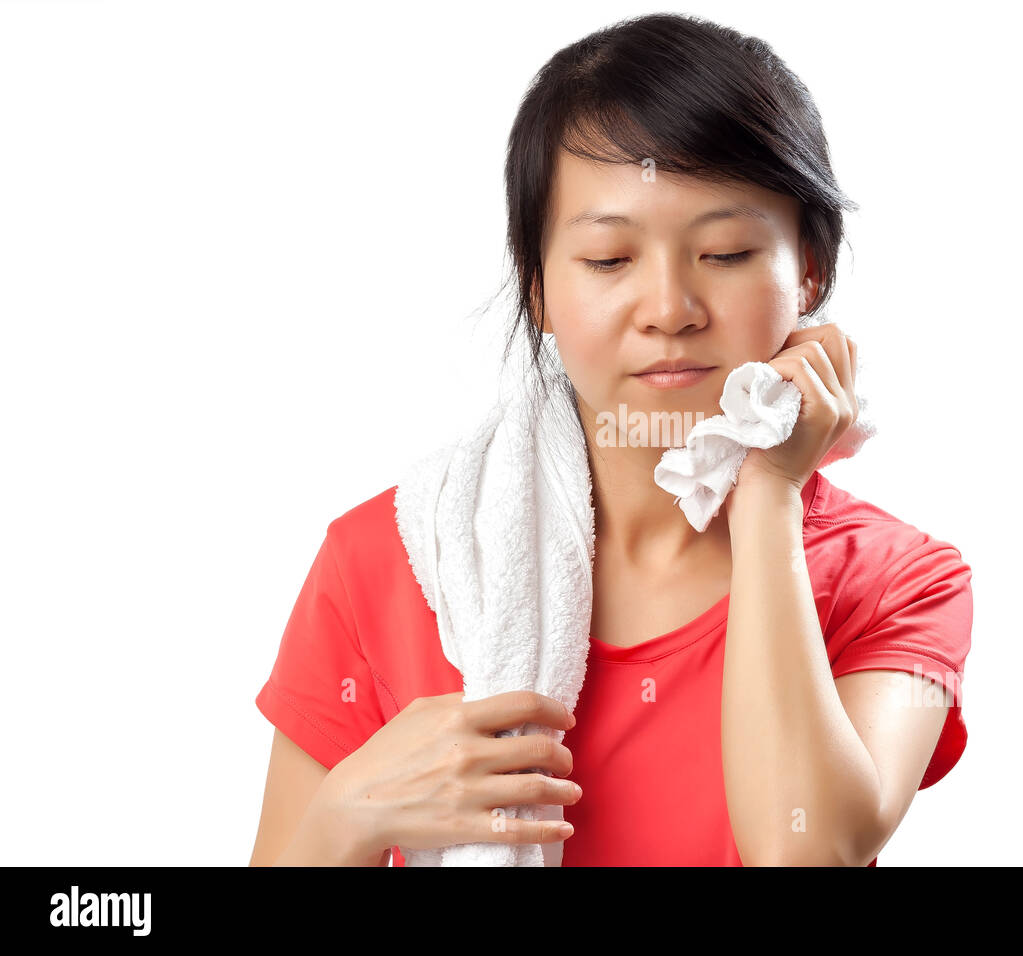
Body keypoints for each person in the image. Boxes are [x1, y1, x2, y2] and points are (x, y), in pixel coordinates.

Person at [249, 12, 973, 867]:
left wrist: (770, 497)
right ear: (540, 289)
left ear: (809, 268)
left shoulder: (895, 581)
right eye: (608, 260)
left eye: (728, 252)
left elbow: (807, 854)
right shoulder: (388, 559)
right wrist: (345, 819)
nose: (669, 309)